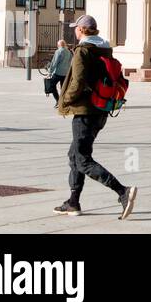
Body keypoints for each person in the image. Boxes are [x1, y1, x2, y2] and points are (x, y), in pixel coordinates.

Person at [54, 14, 137, 219]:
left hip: (85, 111)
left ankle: (122, 191)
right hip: (100, 110)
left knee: (82, 159)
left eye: (76, 28)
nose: (74, 30)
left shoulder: (83, 51)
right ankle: (73, 202)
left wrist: (66, 101)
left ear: (82, 30)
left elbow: (78, 80)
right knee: (75, 155)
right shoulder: (104, 49)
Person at [42, 39, 72, 107]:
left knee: (52, 85)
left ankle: (58, 101)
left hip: (58, 73)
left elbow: (54, 63)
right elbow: (70, 62)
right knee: (63, 88)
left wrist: (50, 72)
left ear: (59, 45)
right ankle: (63, 102)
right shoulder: (69, 52)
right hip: (65, 73)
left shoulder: (58, 51)